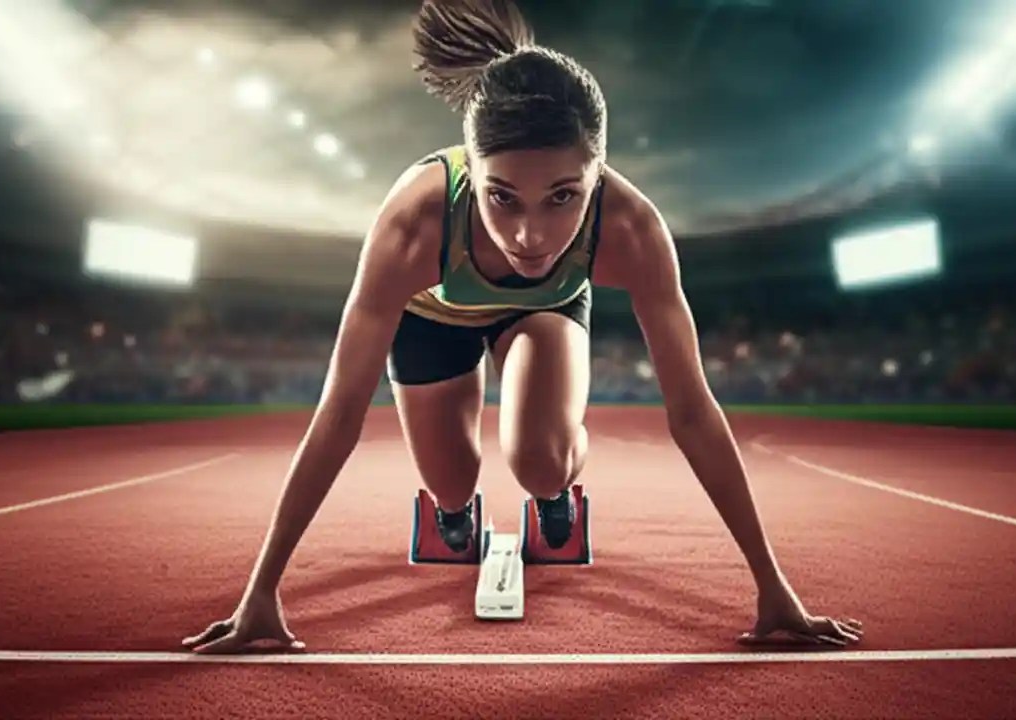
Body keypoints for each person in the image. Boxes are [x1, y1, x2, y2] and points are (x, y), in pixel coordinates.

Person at [184, 0, 862, 654]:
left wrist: (773, 587)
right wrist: (261, 590)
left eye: (563, 196)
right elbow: (339, 414)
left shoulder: (631, 229)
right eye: (500, 197)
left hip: (545, 311)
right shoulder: (412, 224)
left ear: (598, 175)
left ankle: (563, 475)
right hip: (432, 315)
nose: (530, 236)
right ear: (469, 169)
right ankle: (453, 515)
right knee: (451, 484)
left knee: (537, 462)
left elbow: (691, 412)